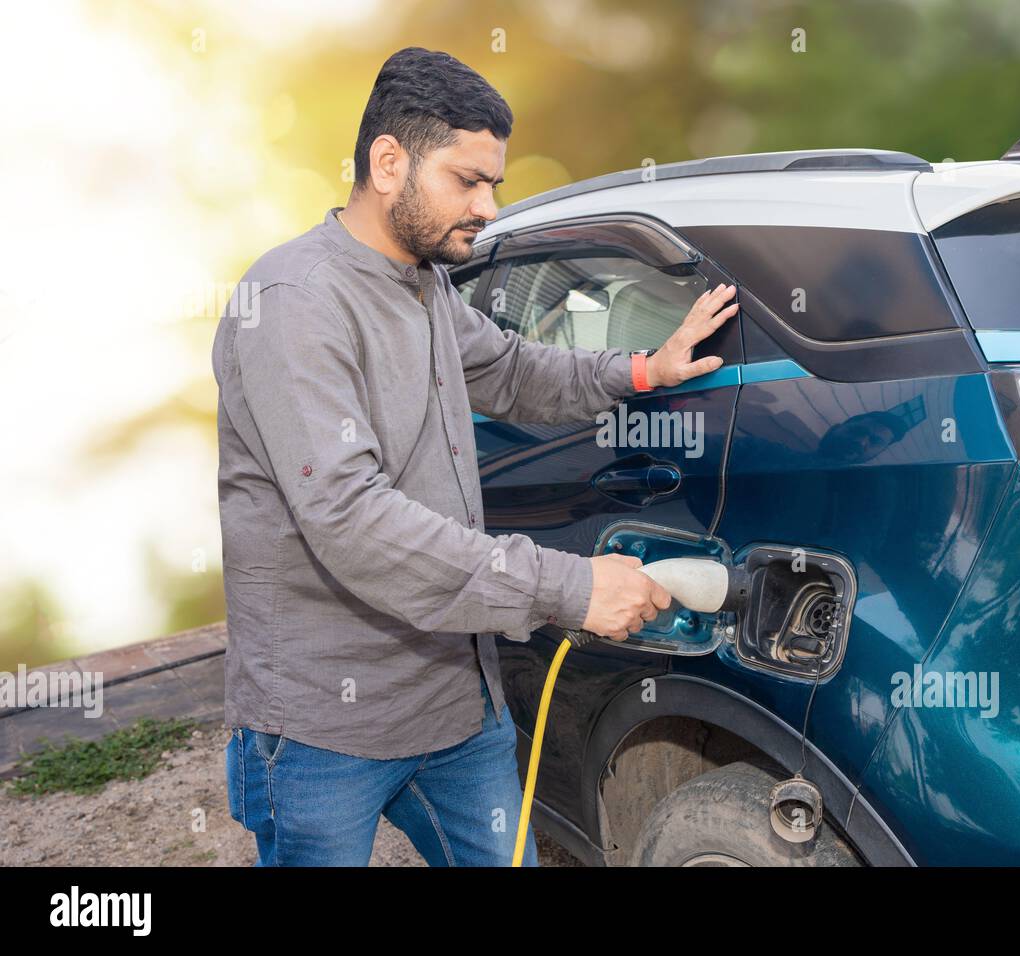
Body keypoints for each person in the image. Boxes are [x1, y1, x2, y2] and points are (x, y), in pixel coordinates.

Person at [212, 47, 738, 866]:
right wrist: (569, 587)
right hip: (325, 730)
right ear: (388, 163)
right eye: (468, 180)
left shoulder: (424, 287)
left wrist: (645, 367)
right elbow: (352, 521)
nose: (489, 206)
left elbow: (513, 370)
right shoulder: (290, 305)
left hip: (458, 708)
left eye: (492, 182)